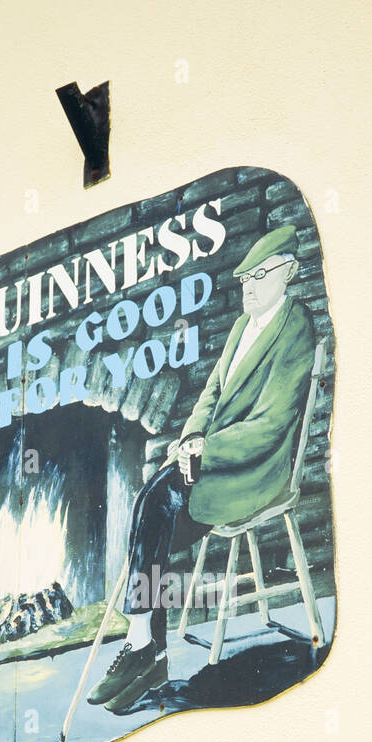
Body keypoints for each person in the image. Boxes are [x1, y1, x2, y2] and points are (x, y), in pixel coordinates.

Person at [87, 225, 317, 714]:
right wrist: (192, 436)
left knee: (157, 506)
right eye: (244, 278)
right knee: (154, 509)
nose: (249, 286)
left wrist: (204, 451)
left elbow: (271, 425)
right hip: (215, 460)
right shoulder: (241, 328)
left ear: (289, 272)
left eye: (260, 274)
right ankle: (148, 645)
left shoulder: (295, 329)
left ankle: (144, 645)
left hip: (256, 471)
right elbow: (210, 394)